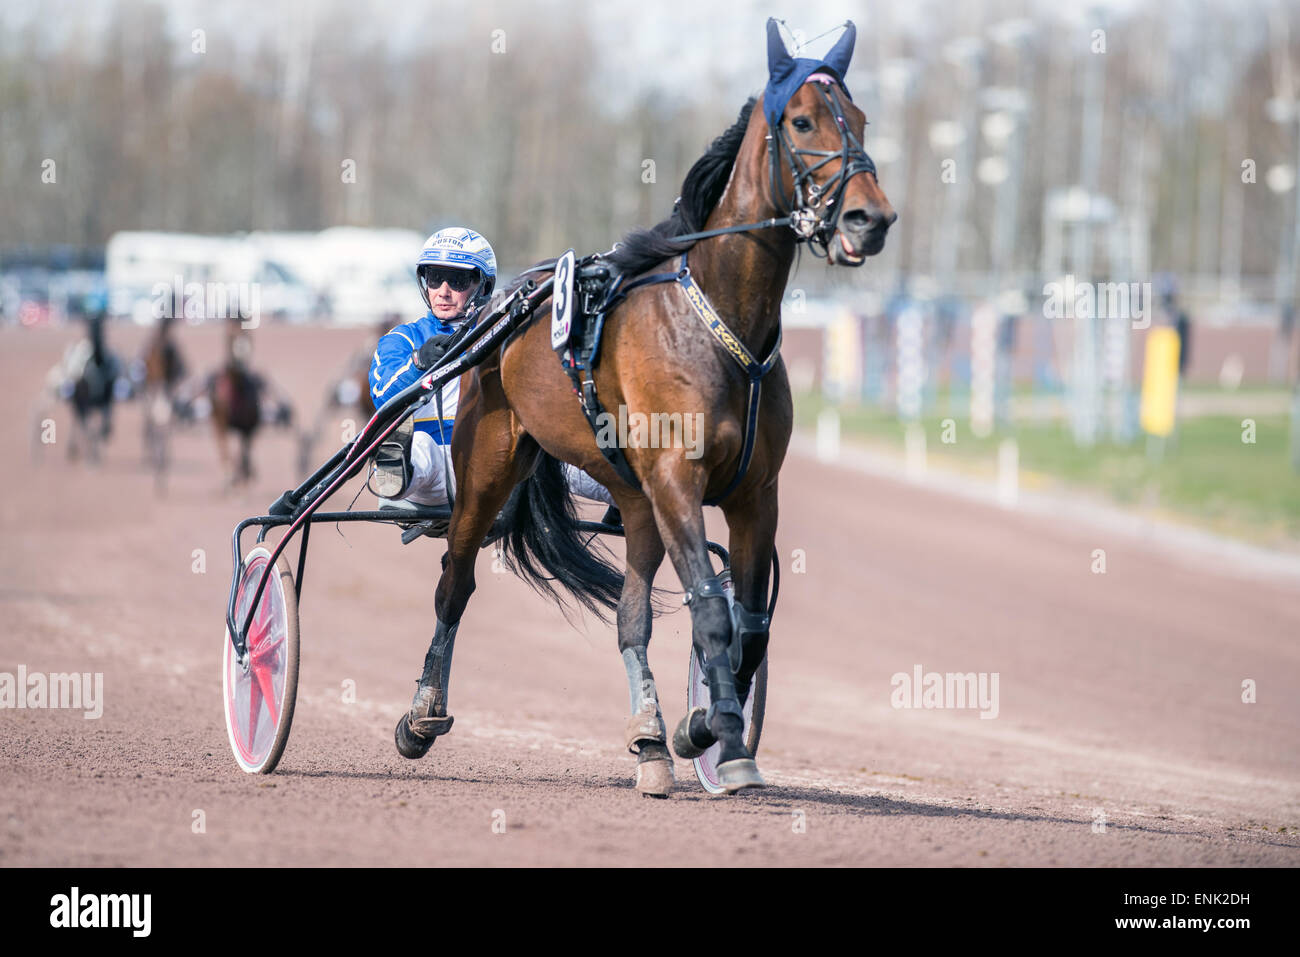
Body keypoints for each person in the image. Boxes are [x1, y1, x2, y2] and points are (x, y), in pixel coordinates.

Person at [369, 227, 613, 512]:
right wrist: (417, 363)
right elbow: (382, 397)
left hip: (505, 459)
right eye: (435, 278)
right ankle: (395, 471)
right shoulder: (402, 339)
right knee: (420, 444)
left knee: (566, 451)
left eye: (457, 280)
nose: (443, 292)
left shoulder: (503, 333)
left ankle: (633, 492)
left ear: (483, 286)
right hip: (437, 464)